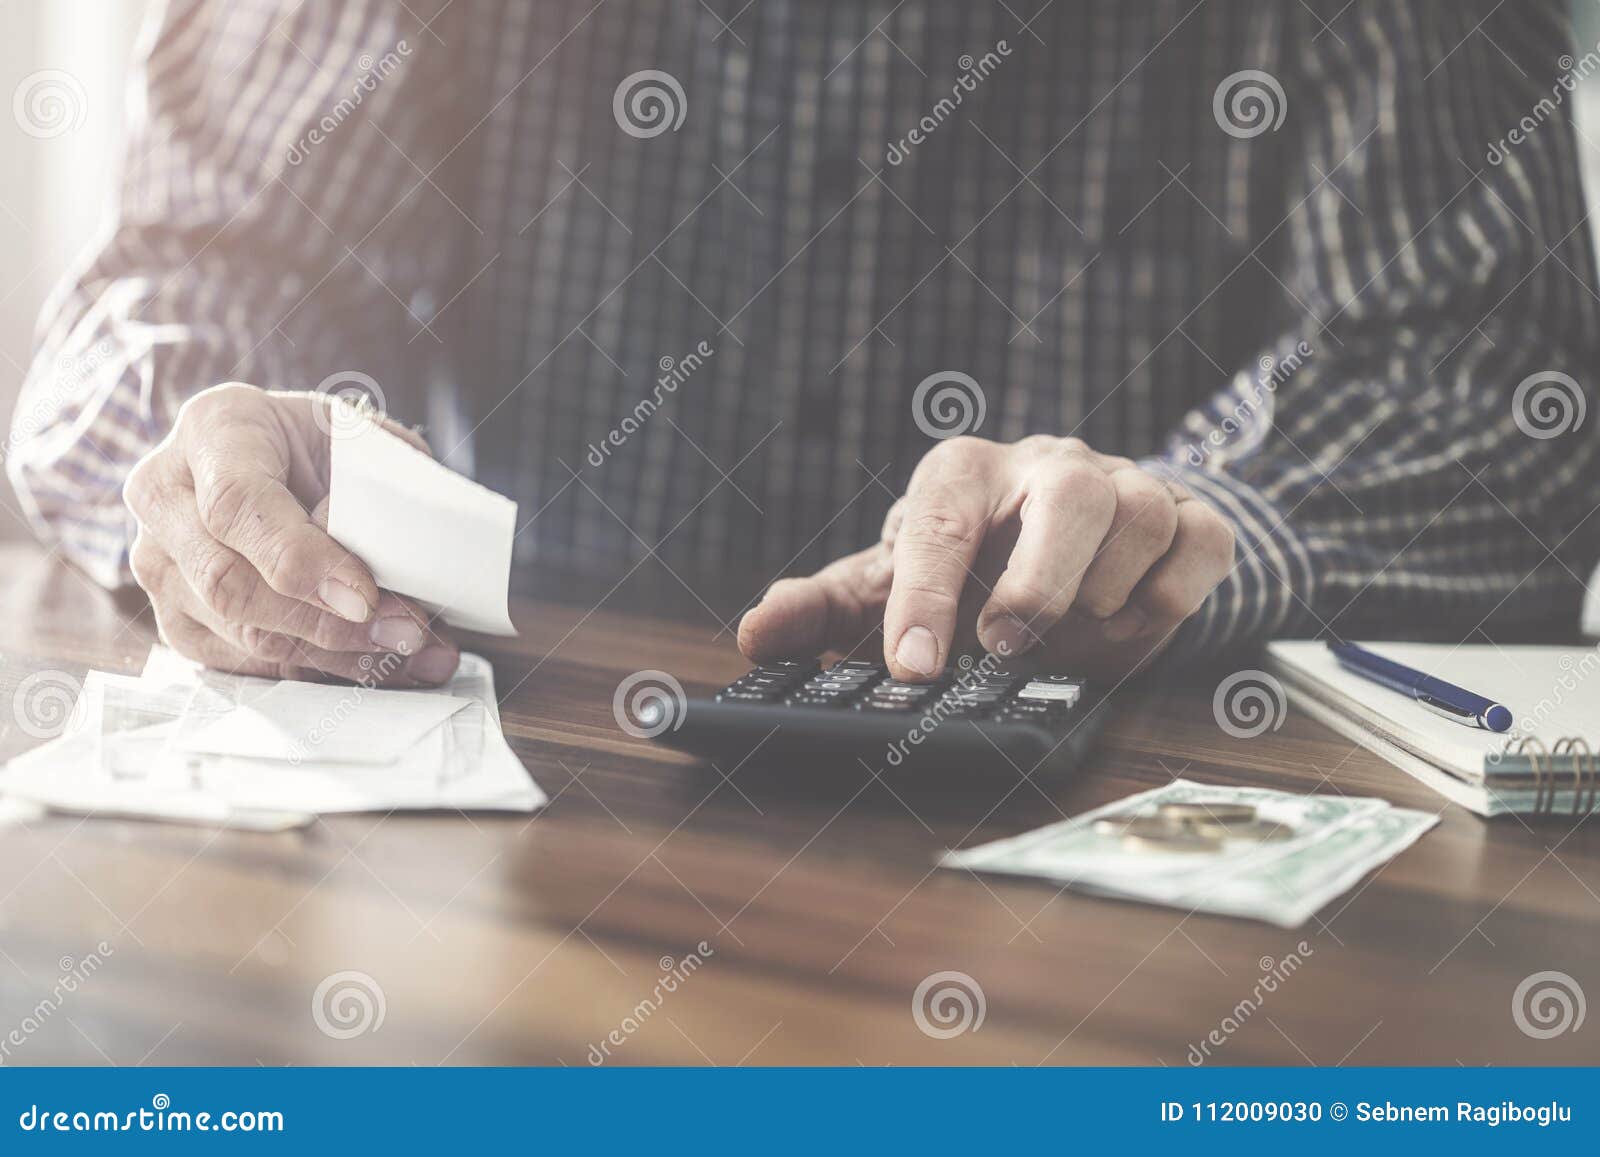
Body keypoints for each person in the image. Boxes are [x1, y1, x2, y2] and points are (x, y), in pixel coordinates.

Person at [8, 0, 1598, 691]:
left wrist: (1189, 519)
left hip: (1126, 953)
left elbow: (1507, 400)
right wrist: (213, 463)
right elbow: (184, 277)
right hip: (520, 854)